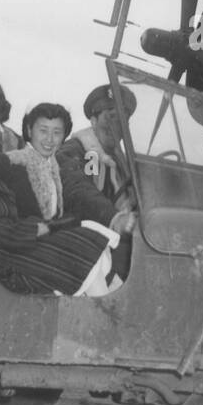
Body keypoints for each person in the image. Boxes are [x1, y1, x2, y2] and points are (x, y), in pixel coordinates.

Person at [0, 100, 120, 297]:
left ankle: (103, 313)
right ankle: (104, 316)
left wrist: (48, 227)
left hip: (8, 246)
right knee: (81, 248)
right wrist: (40, 229)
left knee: (90, 239)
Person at [56, 84, 139, 279]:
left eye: (123, 120)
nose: (116, 127)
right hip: (81, 241)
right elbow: (78, 189)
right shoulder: (77, 151)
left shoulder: (122, 162)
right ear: (93, 120)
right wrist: (114, 217)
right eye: (110, 118)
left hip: (116, 238)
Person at [2, 102, 75, 222]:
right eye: (43, 131)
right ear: (29, 130)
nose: (49, 139)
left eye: (56, 132)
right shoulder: (14, 164)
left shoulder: (55, 164)